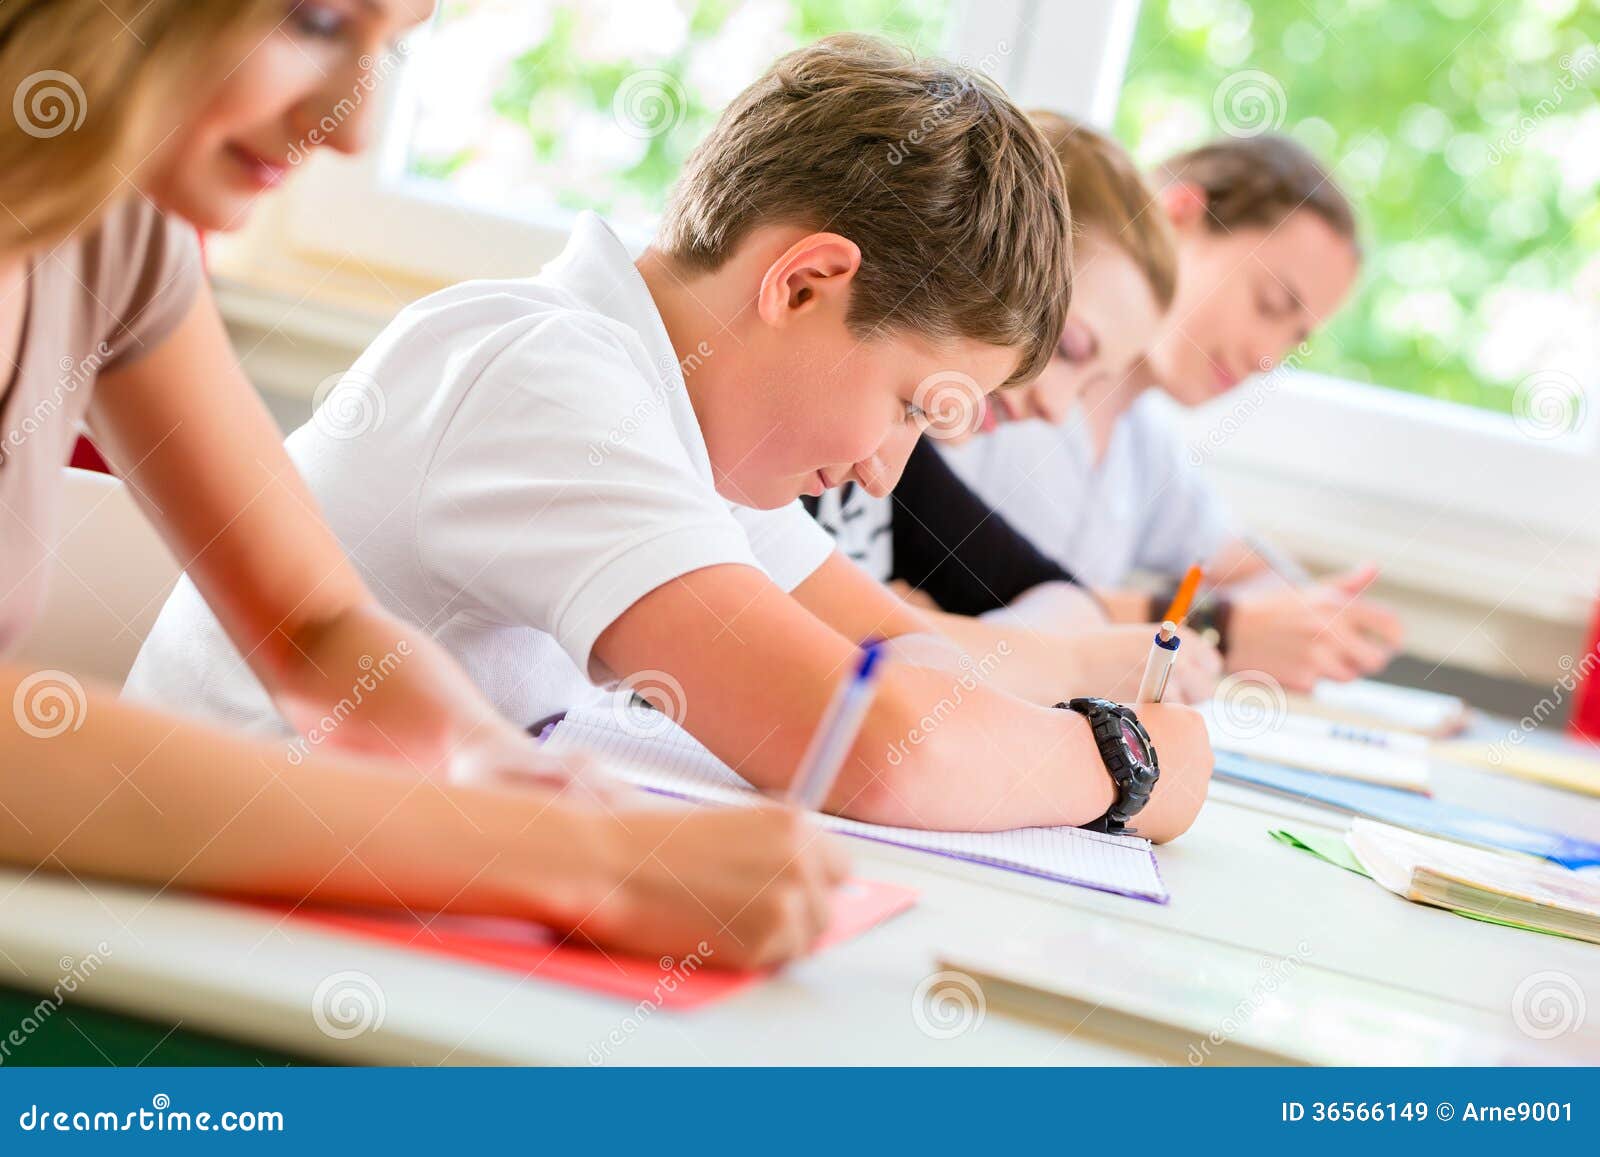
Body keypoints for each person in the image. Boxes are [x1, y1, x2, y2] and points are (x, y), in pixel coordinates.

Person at [128, 36, 1214, 841]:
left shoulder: (705, 422)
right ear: (805, 283)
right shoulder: (552, 377)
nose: (889, 468)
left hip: (356, 885)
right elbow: (860, 742)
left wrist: (1072, 691)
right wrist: (1125, 758)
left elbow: (894, 650)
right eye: (904, 406)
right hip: (215, 925)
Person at [0, 0, 845, 970]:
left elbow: (313, 625)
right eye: (315, 21)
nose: (353, 132)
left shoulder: (117, 226)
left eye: (391, 46)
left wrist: (481, 758)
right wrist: (581, 858)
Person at [941, 131, 1405, 691]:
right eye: (1271, 304)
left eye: (1294, 338)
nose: (1266, 357)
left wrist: (1301, 619)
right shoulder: (999, 387)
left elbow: (1255, 573)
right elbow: (940, 602)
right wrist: (1217, 625)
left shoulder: (1143, 441)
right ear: (1177, 212)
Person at [805, 110, 1221, 706]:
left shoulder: (906, 461)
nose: (1056, 409)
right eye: (1070, 348)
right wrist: (1038, 660)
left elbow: (1070, 602)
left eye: (1090, 384)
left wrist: (942, 637)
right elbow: (808, 636)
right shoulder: (788, 446)